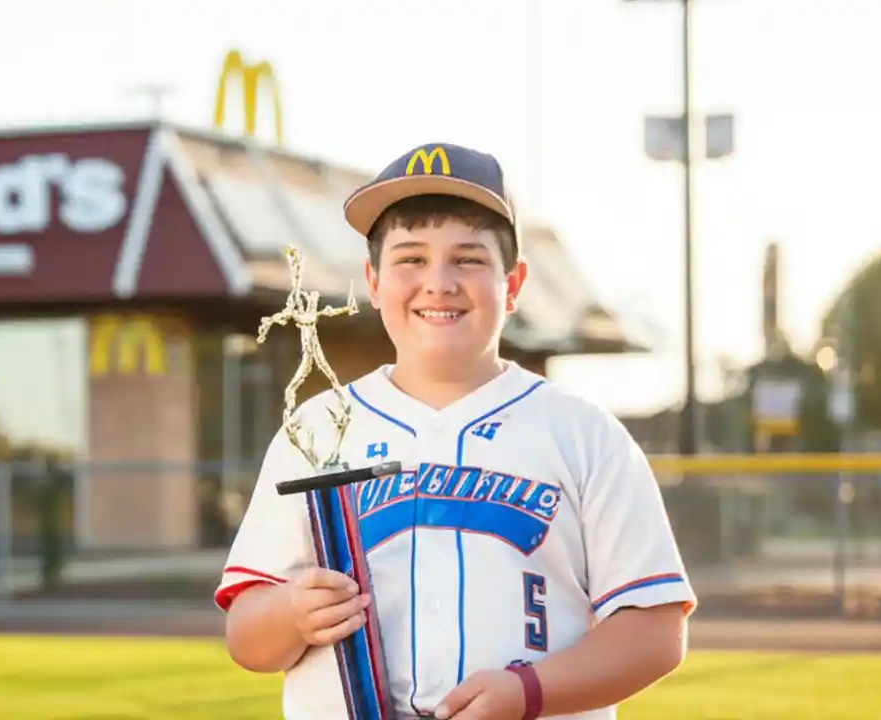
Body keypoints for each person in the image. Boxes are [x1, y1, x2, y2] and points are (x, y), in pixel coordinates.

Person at [215, 142, 697, 719]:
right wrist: (292, 613)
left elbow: (656, 630)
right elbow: (246, 635)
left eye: (468, 259)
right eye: (410, 259)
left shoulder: (583, 433)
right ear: (372, 280)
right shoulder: (315, 431)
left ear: (513, 284)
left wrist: (528, 692)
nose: (438, 282)